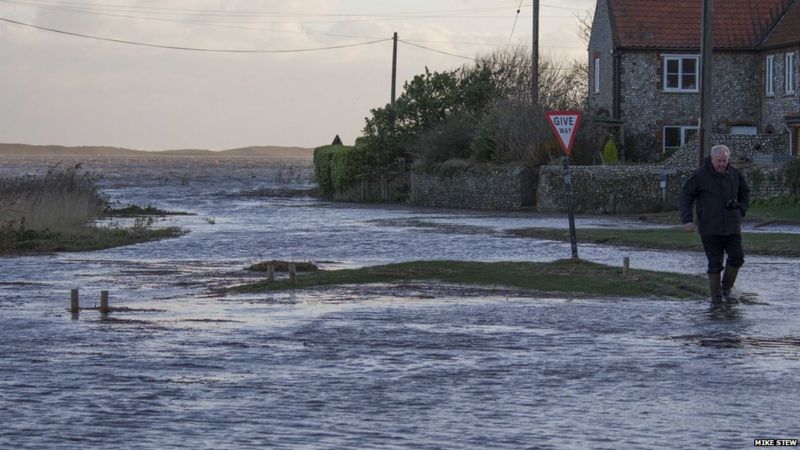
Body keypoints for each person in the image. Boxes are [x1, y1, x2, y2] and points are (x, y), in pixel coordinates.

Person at [679, 144, 751, 303]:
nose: (722, 164)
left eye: (725, 160)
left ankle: (726, 290)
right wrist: (687, 219)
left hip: (732, 226)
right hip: (709, 228)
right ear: (712, 159)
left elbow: (745, 192)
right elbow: (686, 196)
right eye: (719, 161)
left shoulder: (735, 174)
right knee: (715, 263)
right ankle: (716, 299)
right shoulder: (700, 175)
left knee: (737, 257)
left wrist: (741, 210)